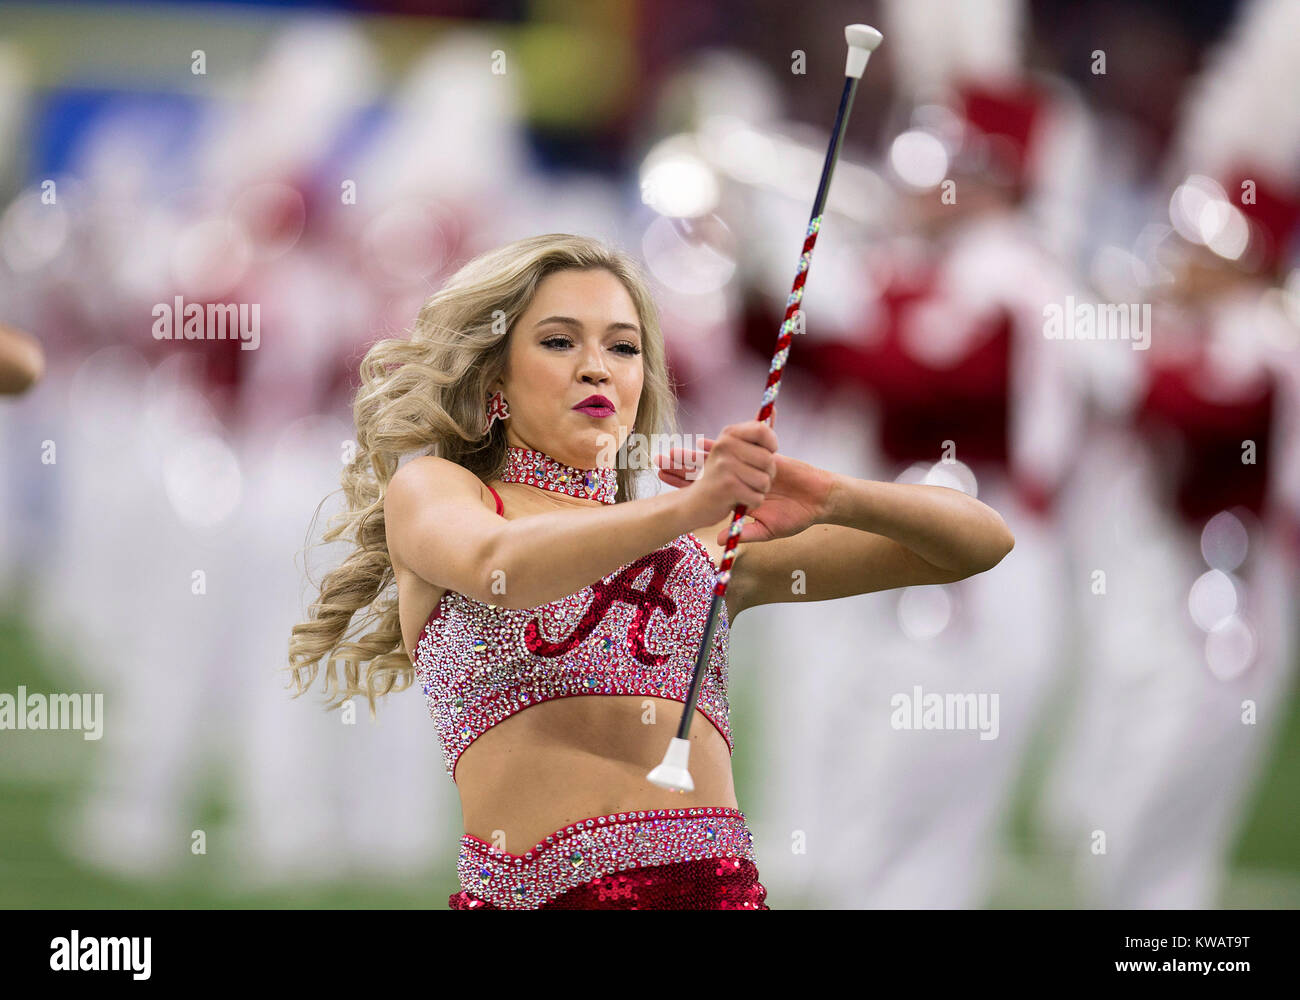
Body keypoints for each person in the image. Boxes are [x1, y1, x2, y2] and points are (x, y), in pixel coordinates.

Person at [286, 233, 1015, 909]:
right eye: (559, 341)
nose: (596, 366)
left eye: (624, 347)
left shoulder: (709, 540)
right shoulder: (445, 492)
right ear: (494, 377)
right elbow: (497, 566)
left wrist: (833, 494)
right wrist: (683, 508)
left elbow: (977, 544)